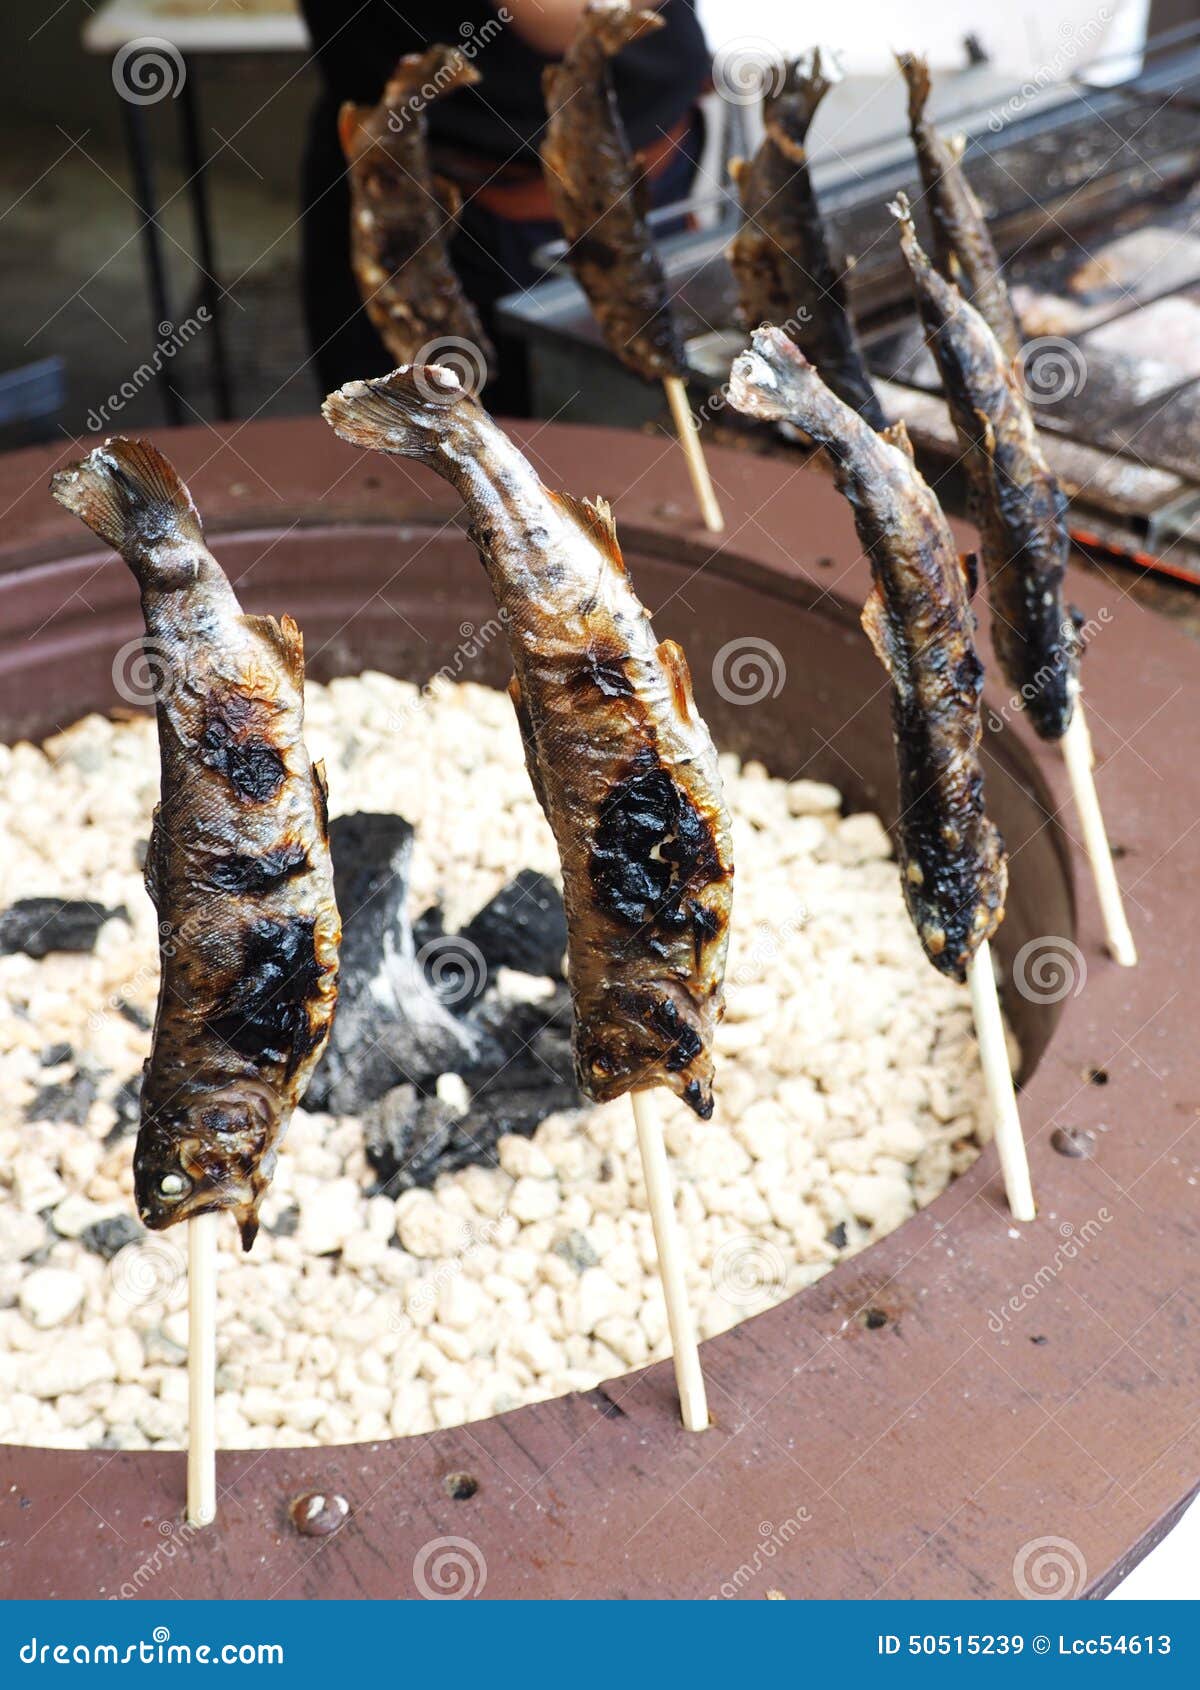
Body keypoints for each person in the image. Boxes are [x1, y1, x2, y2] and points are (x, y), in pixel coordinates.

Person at [299, 1, 710, 413]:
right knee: (431, 440)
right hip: (421, 189)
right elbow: (557, 14)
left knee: (648, 424)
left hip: (646, 172)